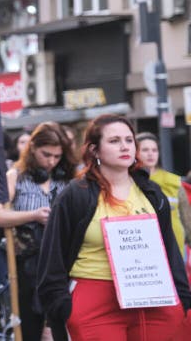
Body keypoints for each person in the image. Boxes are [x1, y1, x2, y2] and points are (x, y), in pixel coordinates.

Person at [38, 114, 191, 341]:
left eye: (129, 140)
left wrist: (182, 298)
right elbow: (53, 255)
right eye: (114, 141)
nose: (124, 147)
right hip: (95, 299)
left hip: (153, 298)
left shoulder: (152, 193)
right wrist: (61, 306)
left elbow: (169, 249)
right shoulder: (75, 195)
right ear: (94, 150)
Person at [0, 122, 76, 341]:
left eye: (57, 156)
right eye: (46, 155)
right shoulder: (15, 176)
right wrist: (33, 215)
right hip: (27, 263)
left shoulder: (67, 179)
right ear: (33, 148)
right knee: (30, 326)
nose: (51, 162)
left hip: (62, 261)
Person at [136, 132, 190, 258]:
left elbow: (186, 218)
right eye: (145, 150)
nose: (150, 154)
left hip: (176, 248)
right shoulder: (127, 182)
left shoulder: (173, 181)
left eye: (154, 150)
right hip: (144, 249)